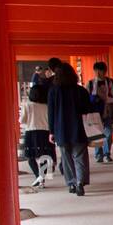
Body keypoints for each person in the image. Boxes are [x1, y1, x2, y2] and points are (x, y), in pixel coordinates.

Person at [46, 63, 92, 196]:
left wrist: (51, 131)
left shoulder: (53, 91)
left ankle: (71, 183)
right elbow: (87, 109)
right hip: (79, 128)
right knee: (80, 156)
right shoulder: (80, 90)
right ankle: (80, 183)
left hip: (61, 129)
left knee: (66, 158)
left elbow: (51, 113)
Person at [19, 67, 56, 186]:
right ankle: (42, 176)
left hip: (31, 132)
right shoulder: (47, 106)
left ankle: (39, 177)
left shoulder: (27, 105)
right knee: (44, 156)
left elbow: (22, 120)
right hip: (45, 133)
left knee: (31, 158)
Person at [88, 61, 113, 163]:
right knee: (97, 134)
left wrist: (107, 99)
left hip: (109, 112)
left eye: (100, 71)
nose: (97, 73)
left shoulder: (110, 82)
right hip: (96, 113)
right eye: (96, 71)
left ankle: (107, 153)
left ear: (104, 71)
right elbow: (86, 98)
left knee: (108, 134)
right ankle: (99, 154)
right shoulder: (90, 83)